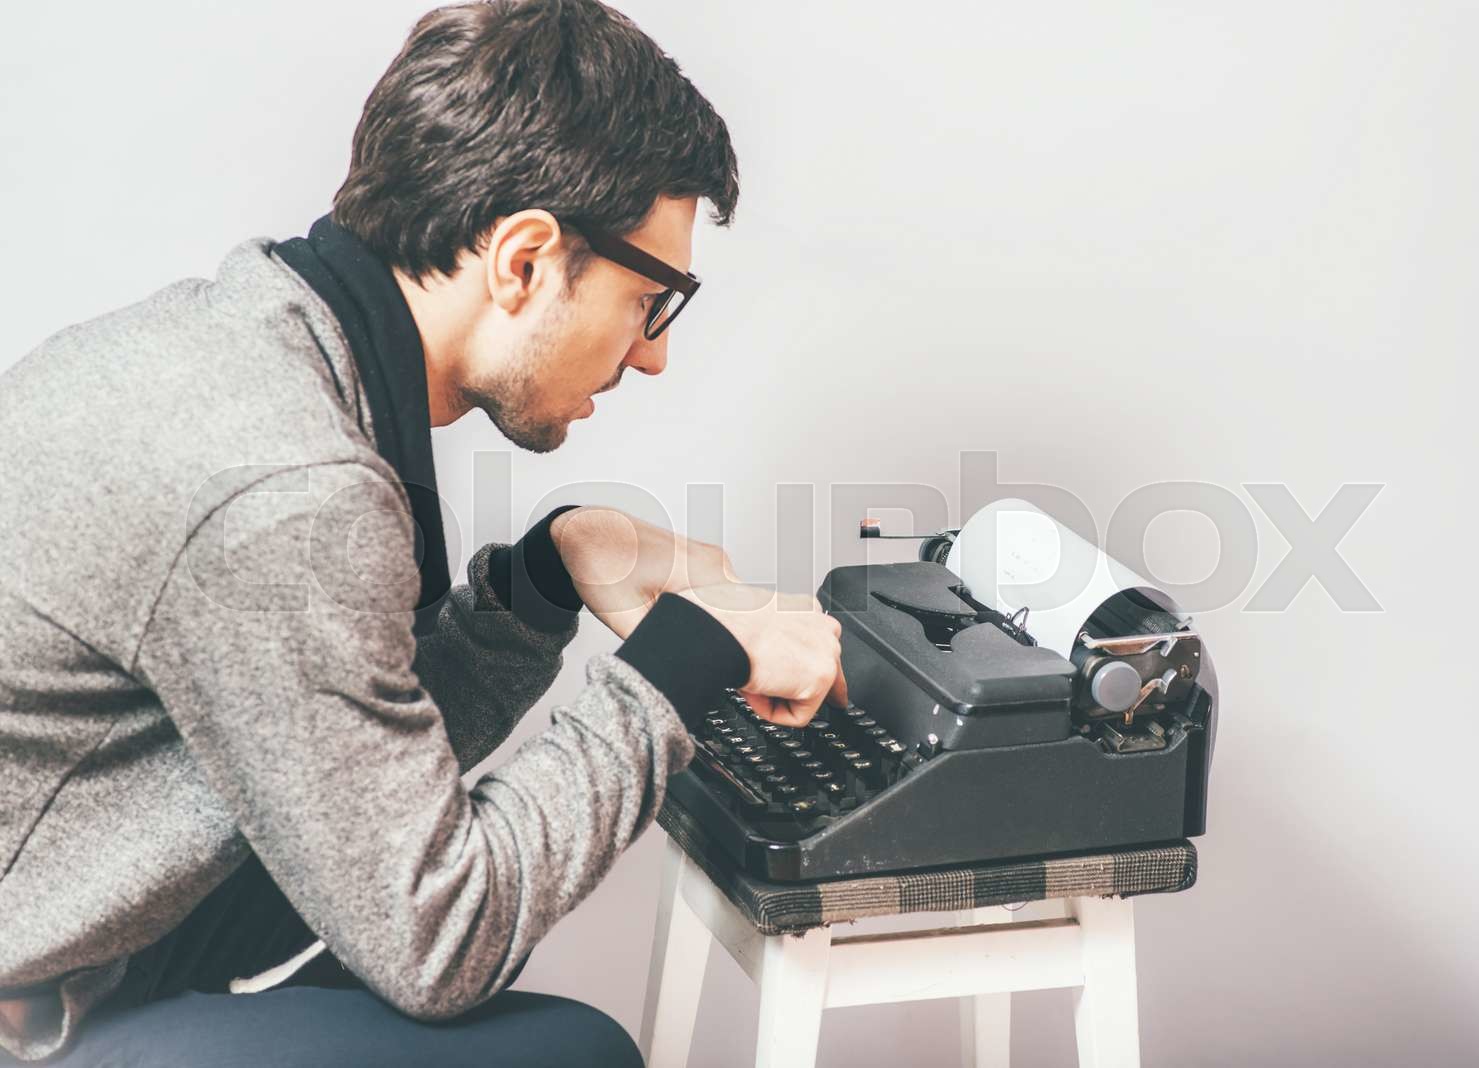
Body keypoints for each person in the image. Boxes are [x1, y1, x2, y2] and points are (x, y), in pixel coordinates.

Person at [0, 1, 847, 1063]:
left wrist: (543, 578)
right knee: (573, 1051)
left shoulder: (255, 348)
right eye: (651, 298)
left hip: (82, 925)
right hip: (38, 1004)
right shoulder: (289, 489)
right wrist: (685, 660)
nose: (652, 354)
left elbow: (351, 778)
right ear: (524, 259)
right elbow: (439, 939)